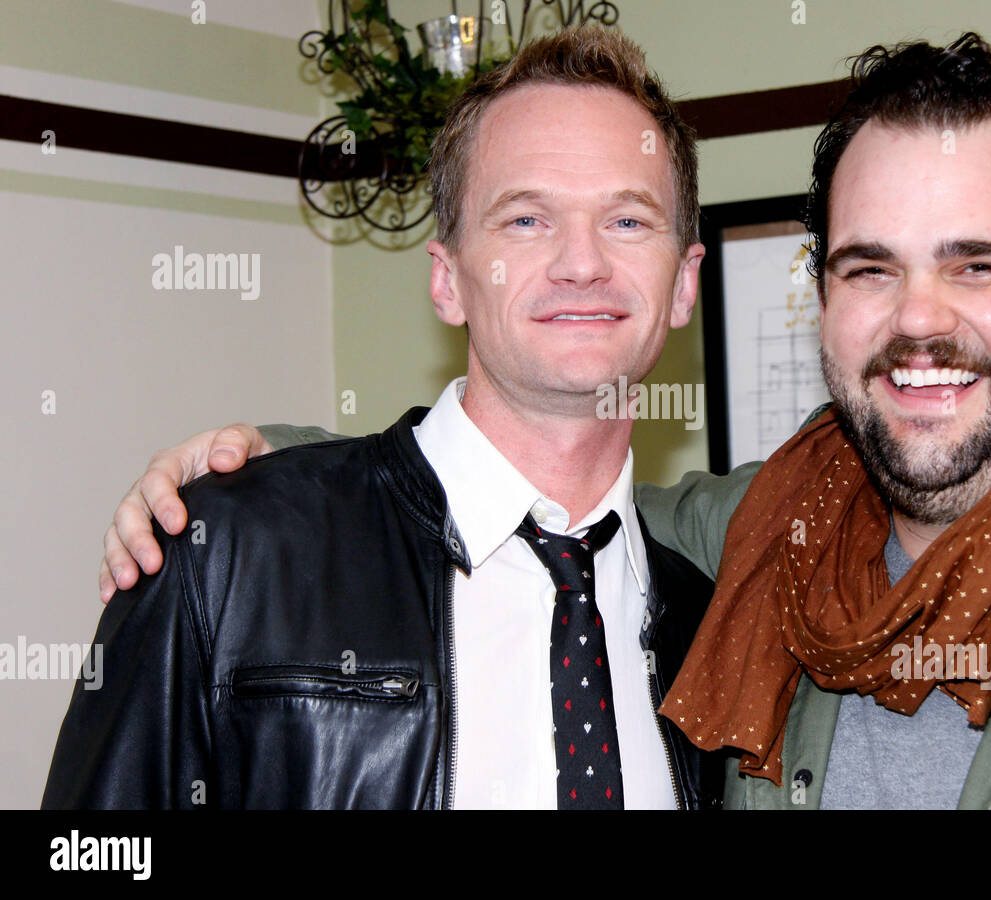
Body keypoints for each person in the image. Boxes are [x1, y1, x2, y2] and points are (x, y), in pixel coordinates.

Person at [96, 34, 991, 809]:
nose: (918, 322)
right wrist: (253, 487)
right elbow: (517, 488)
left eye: (978, 263)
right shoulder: (753, 551)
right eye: (870, 268)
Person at [44, 26, 724, 810]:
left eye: (628, 221)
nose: (582, 262)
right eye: (526, 220)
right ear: (447, 281)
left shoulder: (709, 628)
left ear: (683, 284)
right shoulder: (229, 551)